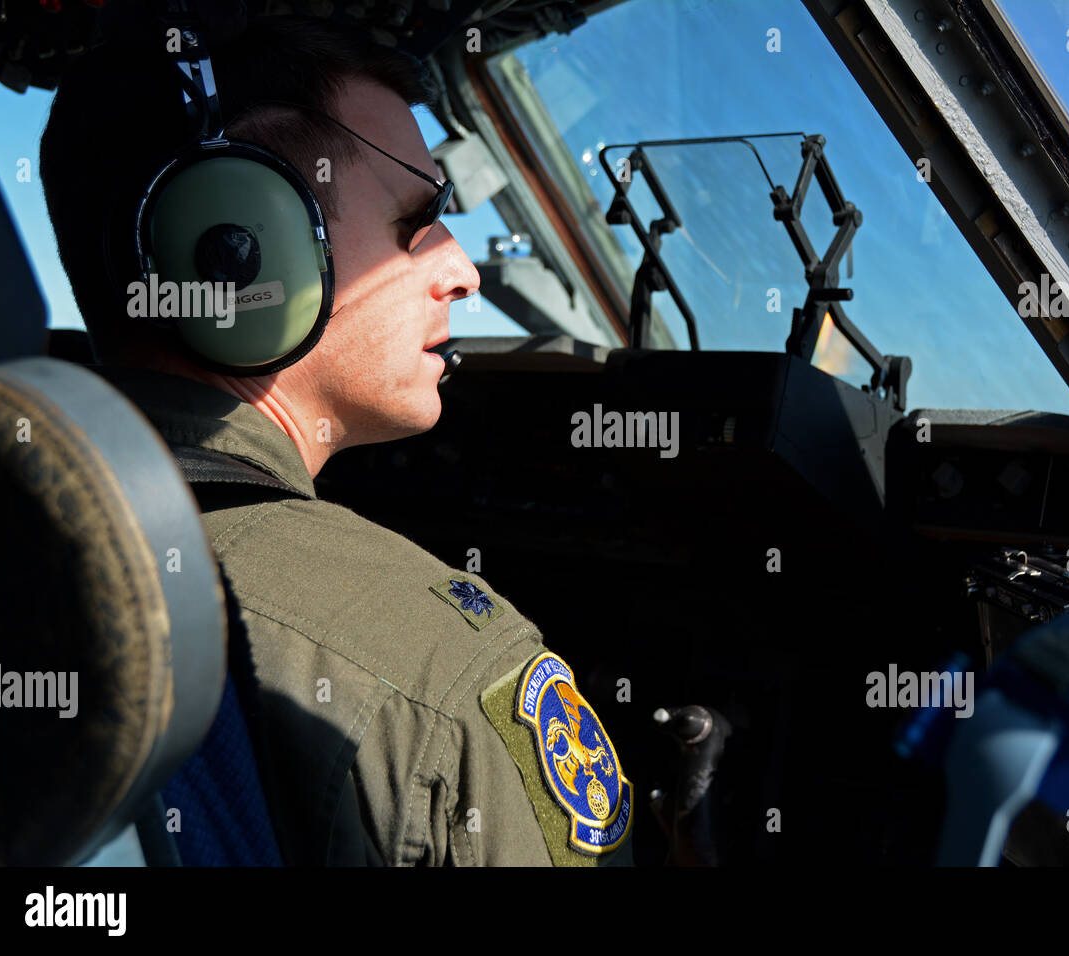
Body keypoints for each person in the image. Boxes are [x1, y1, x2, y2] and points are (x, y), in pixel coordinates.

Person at [39, 14, 632, 866]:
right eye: (419, 219)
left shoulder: (15, 534)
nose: (462, 271)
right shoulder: (443, 672)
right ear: (233, 242)